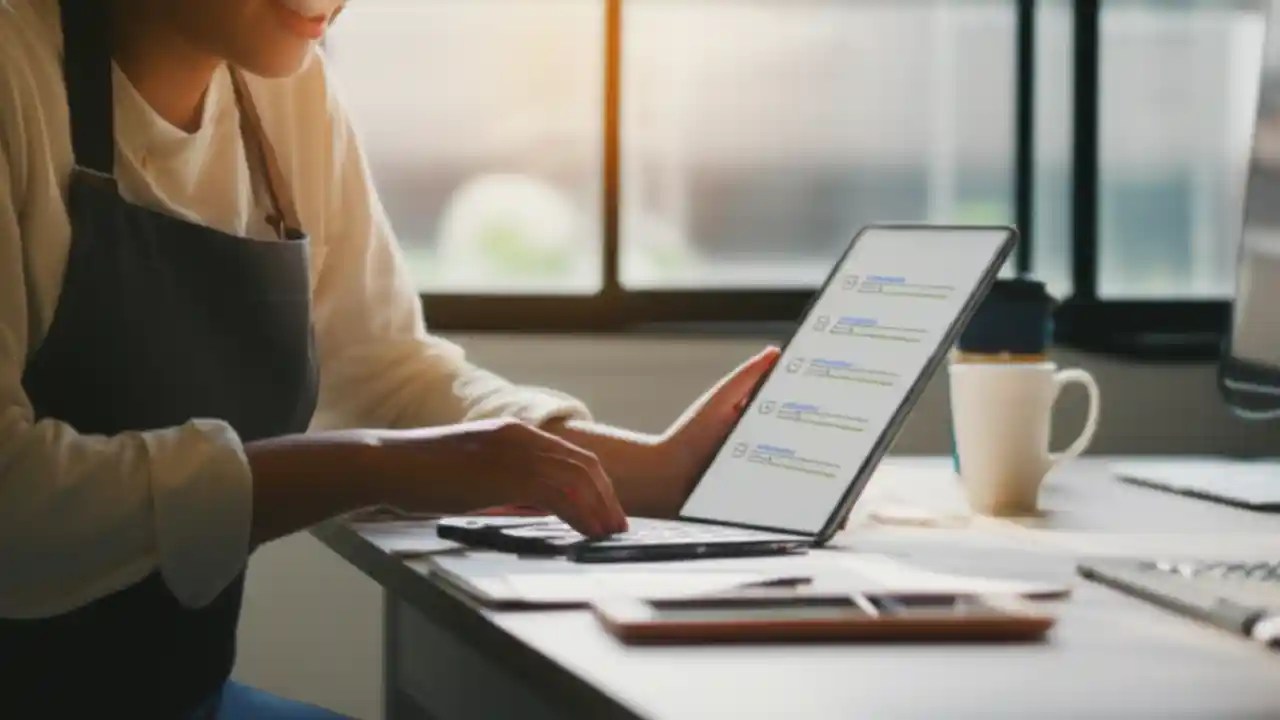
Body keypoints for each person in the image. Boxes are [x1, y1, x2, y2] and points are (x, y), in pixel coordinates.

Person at [0, 0, 780, 716]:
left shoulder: (283, 92)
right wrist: (375, 465)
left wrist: (651, 469)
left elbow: (385, 377)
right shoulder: (15, 71)